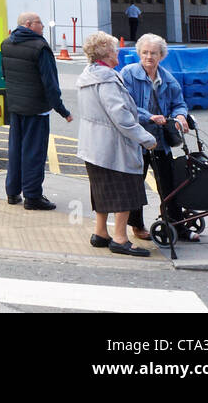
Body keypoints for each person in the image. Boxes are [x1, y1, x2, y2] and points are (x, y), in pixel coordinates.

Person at [76, 31, 158, 256]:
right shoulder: (107, 80)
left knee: (102, 190)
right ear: (105, 54)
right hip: (112, 147)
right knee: (126, 190)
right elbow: (121, 117)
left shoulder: (88, 76)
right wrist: (147, 139)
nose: (118, 52)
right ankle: (120, 239)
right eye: (114, 49)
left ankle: (100, 233)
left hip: (92, 146)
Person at [120, 34, 193, 243]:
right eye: (145, 52)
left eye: (153, 53)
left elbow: (179, 103)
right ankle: (136, 225)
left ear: (161, 55)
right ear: (139, 53)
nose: (149, 57)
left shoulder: (167, 78)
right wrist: (149, 116)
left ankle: (177, 224)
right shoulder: (128, 74)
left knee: (169, 184)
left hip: (160, 140)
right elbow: (126, 104)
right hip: (137, 139)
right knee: (136, 183)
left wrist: (180, 115)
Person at [1, 11, 72, 210]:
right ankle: (32, 197)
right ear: (30, 24)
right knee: (34, 152)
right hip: (36, 109)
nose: (42, 26)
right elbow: (50, 84)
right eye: (40, 22)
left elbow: (5, 74)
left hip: (16, 108)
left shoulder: (6, 44)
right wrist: (62, 110)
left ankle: (13, 193)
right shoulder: (40, 47)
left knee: (15, 150)